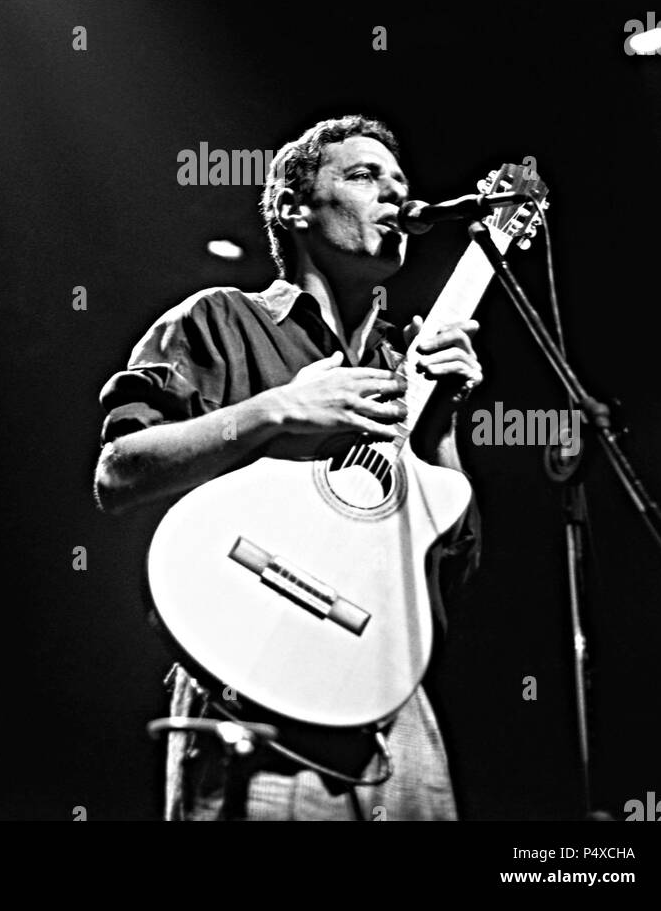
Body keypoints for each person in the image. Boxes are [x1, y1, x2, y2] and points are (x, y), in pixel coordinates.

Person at [95, 114, 483, 821]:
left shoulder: (410, 367)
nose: (396, 195)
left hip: (390, 699)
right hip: (253, 682)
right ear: (292, 207)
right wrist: (277, 411)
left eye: (401, 182)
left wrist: (446, 422)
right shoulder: (222, 319)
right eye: (365, 176)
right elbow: (119, 471)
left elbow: (451, 567)